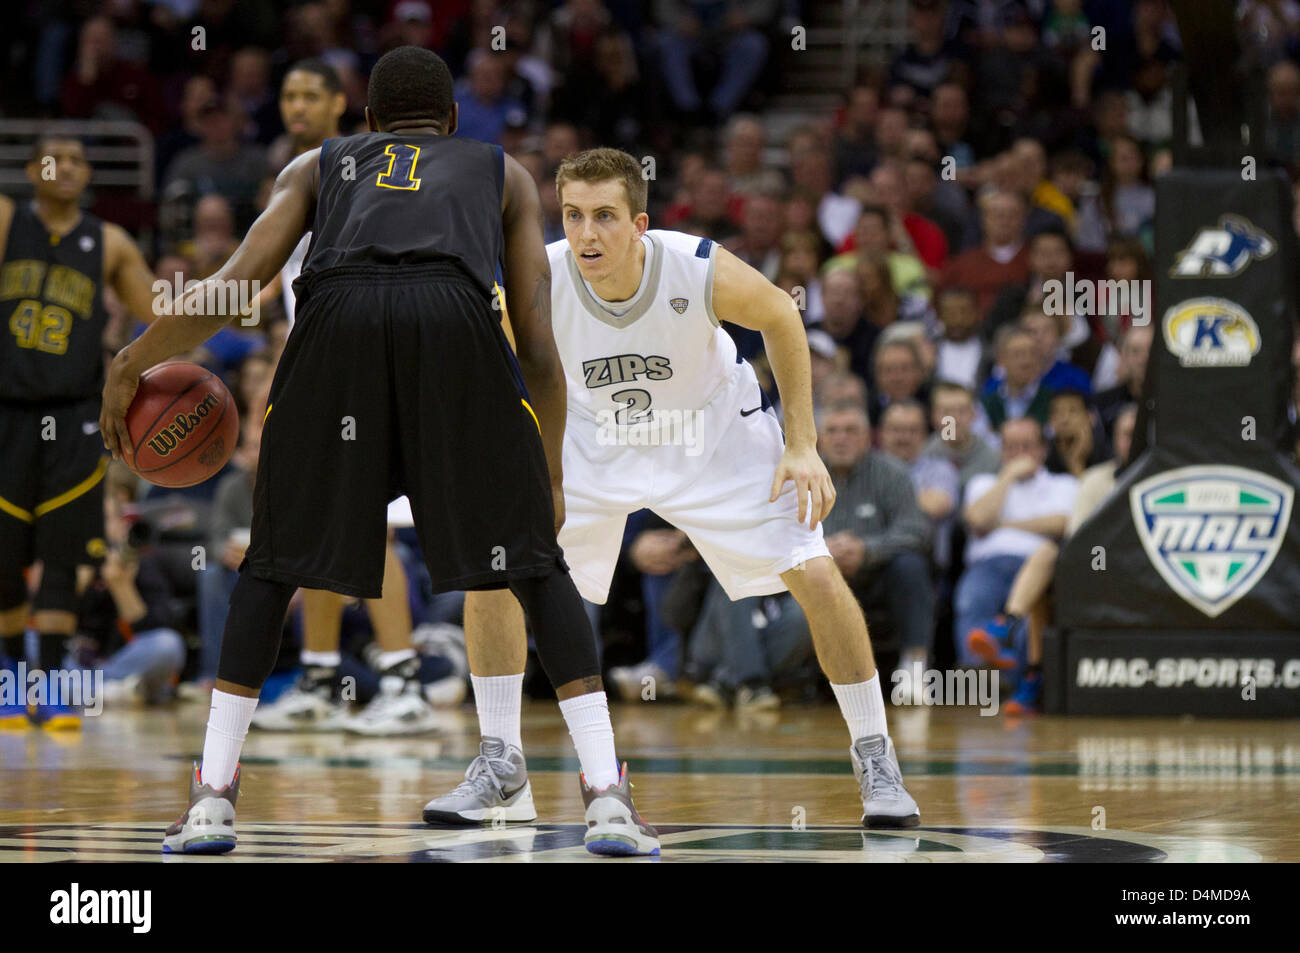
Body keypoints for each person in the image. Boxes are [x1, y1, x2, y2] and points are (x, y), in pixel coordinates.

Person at [100, 47, 657, 857]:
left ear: (364, 121)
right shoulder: (501, 174)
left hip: (337, 328)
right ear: (453, 122)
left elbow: (238, 279)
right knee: (536, 566)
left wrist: (133, 357)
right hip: (454, 328)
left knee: (270, 564)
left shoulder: (316, 165)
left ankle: (214, 797)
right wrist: (551, 468)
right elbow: (536, 341)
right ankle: (605, 793)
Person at [430, 147, 920, 832]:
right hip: (593, 444)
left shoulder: (691, 264)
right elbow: (487, 363)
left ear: (640, 223)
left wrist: (803, 442)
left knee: (813, 566)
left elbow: (780, 315)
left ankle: (877, 756)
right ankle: (500, 761)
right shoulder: (539, 278)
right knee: (497, 569)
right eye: (573, 215)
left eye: (604, 216)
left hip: (713, 437)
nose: (586, 233)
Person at [249, 58, 446, 737]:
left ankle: (404, 681)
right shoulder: (297, 167)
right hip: (317, 365)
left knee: (370, 527)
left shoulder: (354, 168)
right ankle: (318, 676)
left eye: (311, 94)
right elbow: (275, 285)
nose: (297, 104)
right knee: (320, 527)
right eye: (288, 92)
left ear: (346, 105)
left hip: (368, 369)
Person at [0, 136, 159, 730]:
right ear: (31, 168)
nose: (66, 167)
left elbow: (155, 312)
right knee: (5, 555)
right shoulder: (7, 219)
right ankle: (13, 679)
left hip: (72, 416)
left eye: (76, 160)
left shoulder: (109, 242)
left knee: (63, 555)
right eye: (54, 158)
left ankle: (57, 683)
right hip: (8, 411)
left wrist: (227, 292)